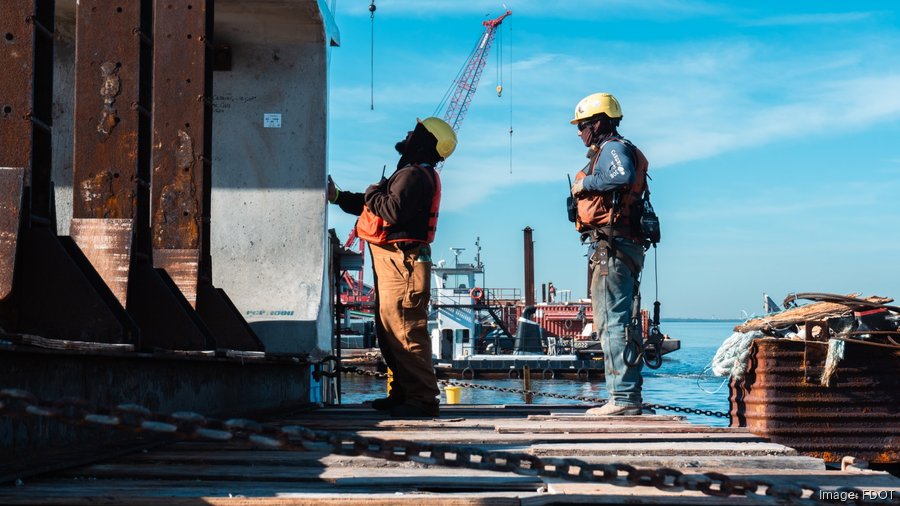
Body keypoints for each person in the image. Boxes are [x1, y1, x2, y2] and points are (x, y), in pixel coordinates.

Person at [328, 117, 457, 418]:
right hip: (395, 264)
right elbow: (372, 206)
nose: (408, 135)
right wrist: (338, 197)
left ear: (425, 141)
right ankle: (402, 393)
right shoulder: (408, 175)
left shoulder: (414, 175)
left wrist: (373, 191)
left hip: (403, 264)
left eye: (416, 132)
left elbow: (391, 209)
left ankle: (422, 398)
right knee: (390, 332)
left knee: (406, 331)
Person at [568, 92, 650, 416]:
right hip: (621, 245)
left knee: (611, 322)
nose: (579, 132)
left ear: (598, 122)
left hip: (613, 249)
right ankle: (626, 396)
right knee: (620, 321)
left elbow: (621, 176)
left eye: (583, 125)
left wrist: (583, 183)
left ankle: (623, 399)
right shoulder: (618, 148)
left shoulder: (613, 149)